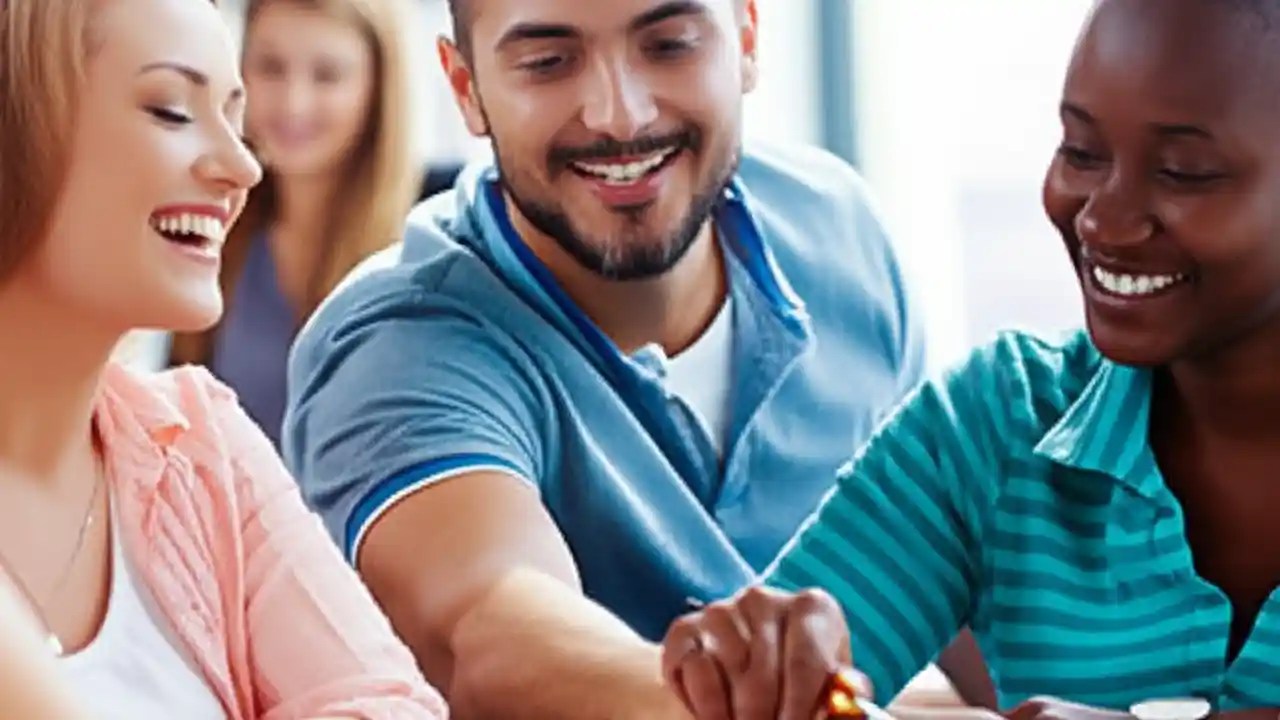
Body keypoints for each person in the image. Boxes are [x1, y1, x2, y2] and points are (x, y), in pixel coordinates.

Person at [283, 0, 960, 716]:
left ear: (748, 36)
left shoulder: (839, 229)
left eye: (669, 44)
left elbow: (962, 582)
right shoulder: (395, 342)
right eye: (548, 62)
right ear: (466, 88)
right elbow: (489, 634)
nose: (619, 115)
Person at [661, 0, 1280, 717]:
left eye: (1183, 172)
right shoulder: (996, 423)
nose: (1102, 220)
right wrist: (759, 664)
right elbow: (785, 686)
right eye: (1081, 153)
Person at [0, 1, 445, 717]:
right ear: (18, 129)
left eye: (230, 114)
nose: (243, 163)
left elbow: (392, 704)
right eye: (172, 110)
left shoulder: (204, 447)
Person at [168, 0, 420, 448]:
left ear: (377, 87)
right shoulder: (214, 227)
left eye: (327, 75)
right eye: (270, 67)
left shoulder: (430, 243)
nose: (293, 103)